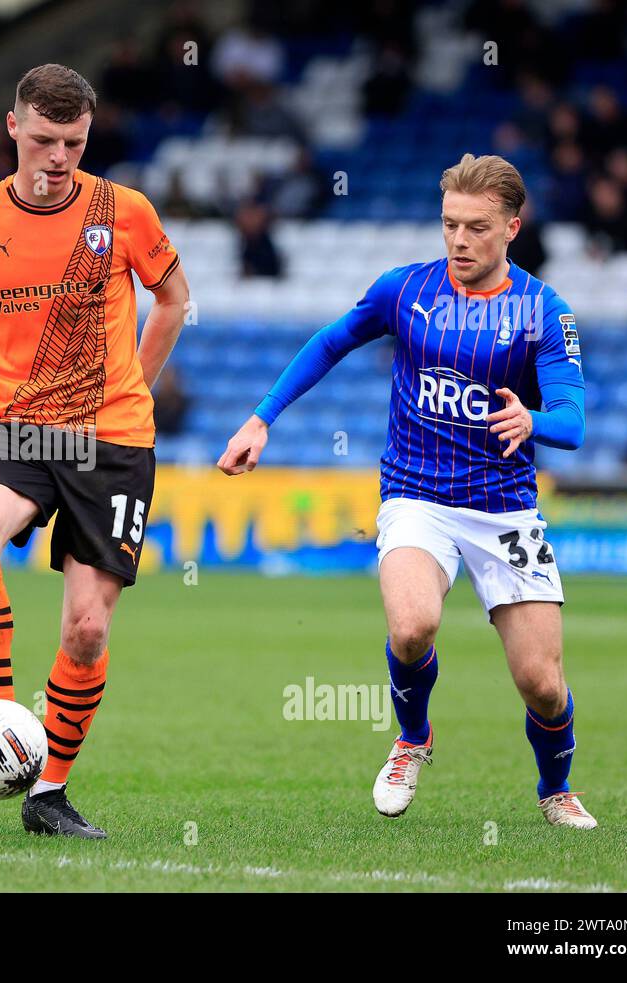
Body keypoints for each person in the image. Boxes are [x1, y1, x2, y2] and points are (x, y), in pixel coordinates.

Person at [218, 154, 596, 830]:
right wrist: (261, 417)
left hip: (504, 508)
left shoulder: (545, 311)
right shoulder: (405, 290)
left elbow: (572, 419)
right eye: (450, 223)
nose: (459, 239)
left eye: (477, 227)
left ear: (513, 226)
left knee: (542, 683)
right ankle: (413, 737)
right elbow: (331, 342)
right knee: (412, 623)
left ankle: (555, 787)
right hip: (415, 492)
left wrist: (531, 419)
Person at [0, 64, 189, 838]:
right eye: (45, 139)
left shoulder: (121, 210)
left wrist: (141, 383)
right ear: (13, 128)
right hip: (21, 428)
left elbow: (173, 300)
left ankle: (47, 791)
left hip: (113, 436)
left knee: (86, 632)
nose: (59, 156)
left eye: (74, 141)